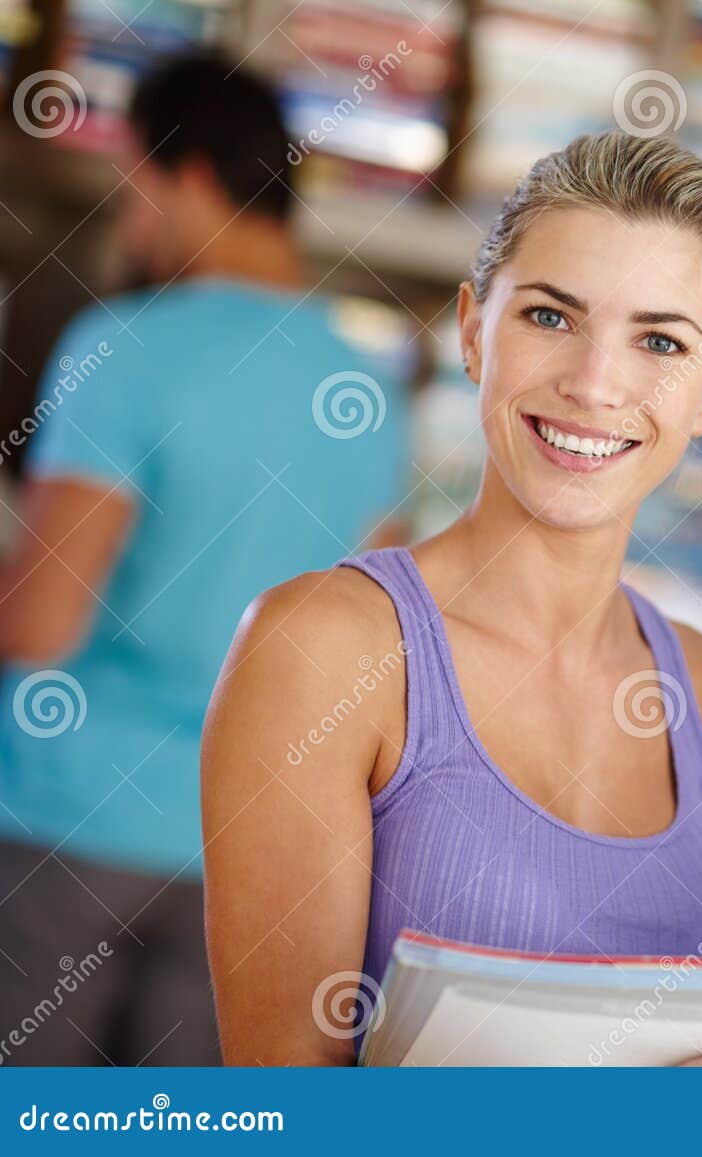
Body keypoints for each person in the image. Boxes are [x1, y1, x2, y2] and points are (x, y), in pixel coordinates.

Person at [200, 131, 702, 1067]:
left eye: (660, 341)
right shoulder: (324, 649)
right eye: (549, 317)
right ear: (471, 329)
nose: (593, 384)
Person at [0, 53, 411, 1064]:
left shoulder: (124, 345)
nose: (130, 227)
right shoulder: (368, 387)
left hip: (71, 825)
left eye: (135, 191)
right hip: (254, 856)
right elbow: (377, 663)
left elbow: (38, 623)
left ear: (184, 178)